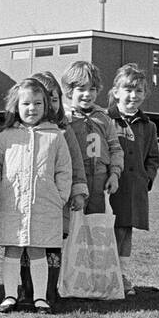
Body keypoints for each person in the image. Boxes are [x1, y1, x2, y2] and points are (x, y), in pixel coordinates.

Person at [0, 79, 73, 314]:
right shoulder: (5, 137)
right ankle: (10, 295)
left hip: (44, 206)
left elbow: (64, 170)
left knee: (38, 250)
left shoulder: (55, 137)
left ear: (46, 106)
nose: (32, 108)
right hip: (11, 205)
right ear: (16, 106)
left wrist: (60, 197)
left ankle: (40, 297)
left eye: (38, 103)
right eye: (26, 103)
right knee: (12, 250)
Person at [23, 70, 87, 304]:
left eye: (53, 98)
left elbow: (75, 163)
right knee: (26, 249)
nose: (48, 104)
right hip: (27, 206)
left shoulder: (63, 130)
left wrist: (75, 191)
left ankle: (49, 291)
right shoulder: (20, 131)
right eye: (42, 98)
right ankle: (27, 290)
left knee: (51, 248)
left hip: (54, 205)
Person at [106, 64, 159, 296]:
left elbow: (153, 158)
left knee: (125, 232)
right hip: (109, 187)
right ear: (116, 91)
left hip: (133, 189)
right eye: (128, 89)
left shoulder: (149, 126)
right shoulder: (105, 120)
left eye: (139, 91)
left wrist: (146, 179)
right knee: (106, 232)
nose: (133, 96)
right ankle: (105, 274)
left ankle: (122, 275)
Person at [61, 60, 123, 215]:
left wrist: (115, 174)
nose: (87, 94)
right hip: (75, 179)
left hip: (100, 180)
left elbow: (116, 149)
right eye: (81, 89)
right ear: (70, 91)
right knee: (74, 227)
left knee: (96, 227)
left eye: (92, 89)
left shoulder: (104, 118)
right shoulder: (65, 119)